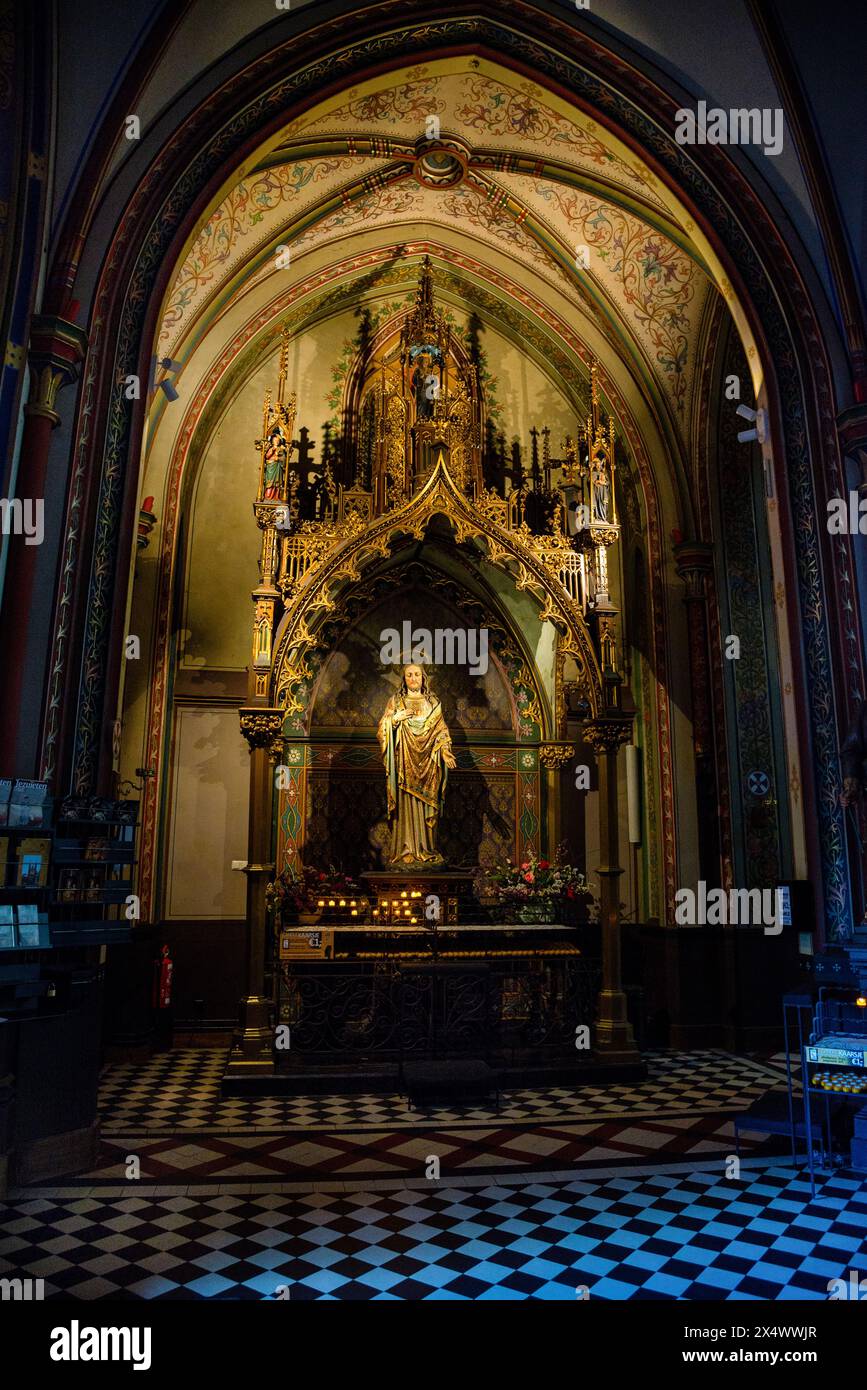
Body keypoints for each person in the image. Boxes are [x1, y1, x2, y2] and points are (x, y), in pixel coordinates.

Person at [377, 663, 455, 866]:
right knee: (405, 807)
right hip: (404, 765)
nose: (413, 678)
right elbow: (382, 730)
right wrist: (394, 719)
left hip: (429, 766)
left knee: (427, 808)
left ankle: (426, 849)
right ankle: (406, 851)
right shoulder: (396, 701)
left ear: (423, 677)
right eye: (409, 675)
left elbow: (441, 732)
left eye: (417, 674)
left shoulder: (433, 702)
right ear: (404, 679)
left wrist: (445, 752)